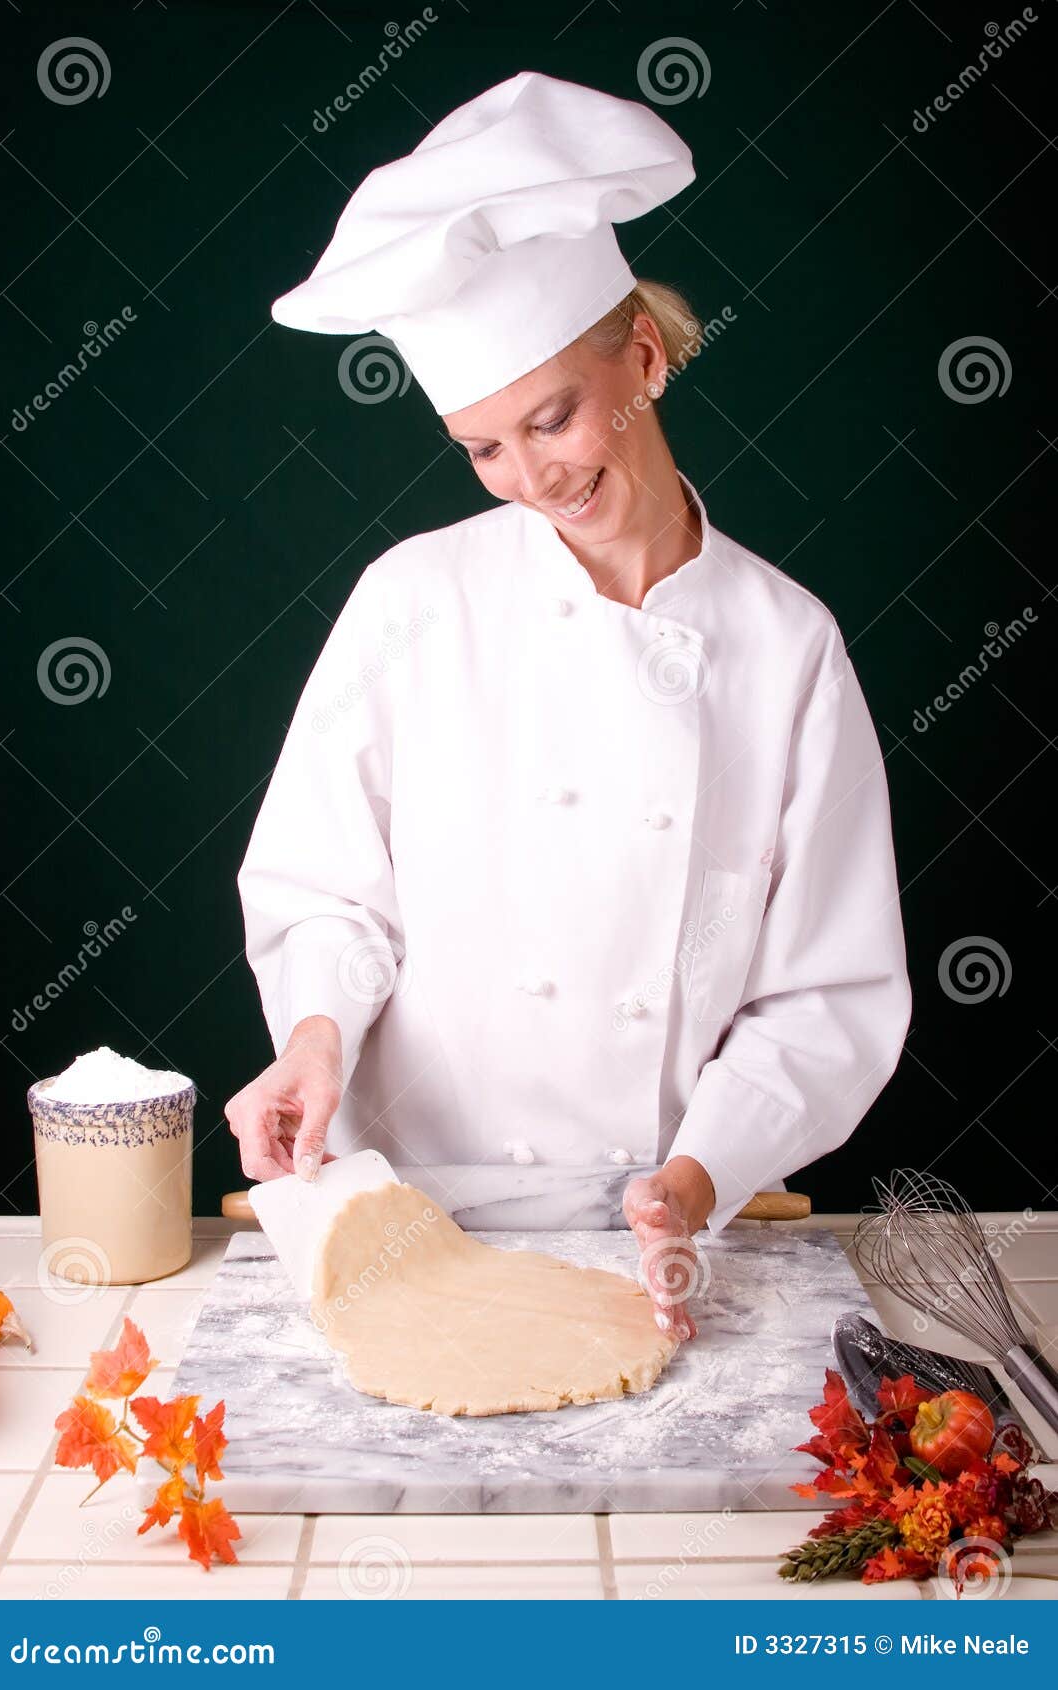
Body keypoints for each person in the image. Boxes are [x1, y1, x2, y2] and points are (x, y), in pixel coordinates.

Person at [226, 71, 912, 1342]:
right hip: (406, 1222)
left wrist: (700, 1175)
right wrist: (313, 1033)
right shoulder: (412, 599)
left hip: (646, 1222)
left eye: (552, 418)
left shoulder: (786, 644)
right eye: (484, 447)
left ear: (641, 356)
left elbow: (822, 992)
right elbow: (323, 887)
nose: (531, 476)